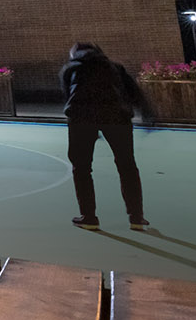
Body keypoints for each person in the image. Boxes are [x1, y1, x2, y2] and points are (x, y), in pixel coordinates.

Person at [60, 41, 154, 230]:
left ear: (74, 54)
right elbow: (134, 92)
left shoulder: (70, 68)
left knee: (82, 168)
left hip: (81, 117)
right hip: (117, 116)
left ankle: (89, 217)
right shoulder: (115, 67)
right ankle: (136, 217)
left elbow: (67, 94)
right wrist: (148, 114)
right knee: (127, 165)